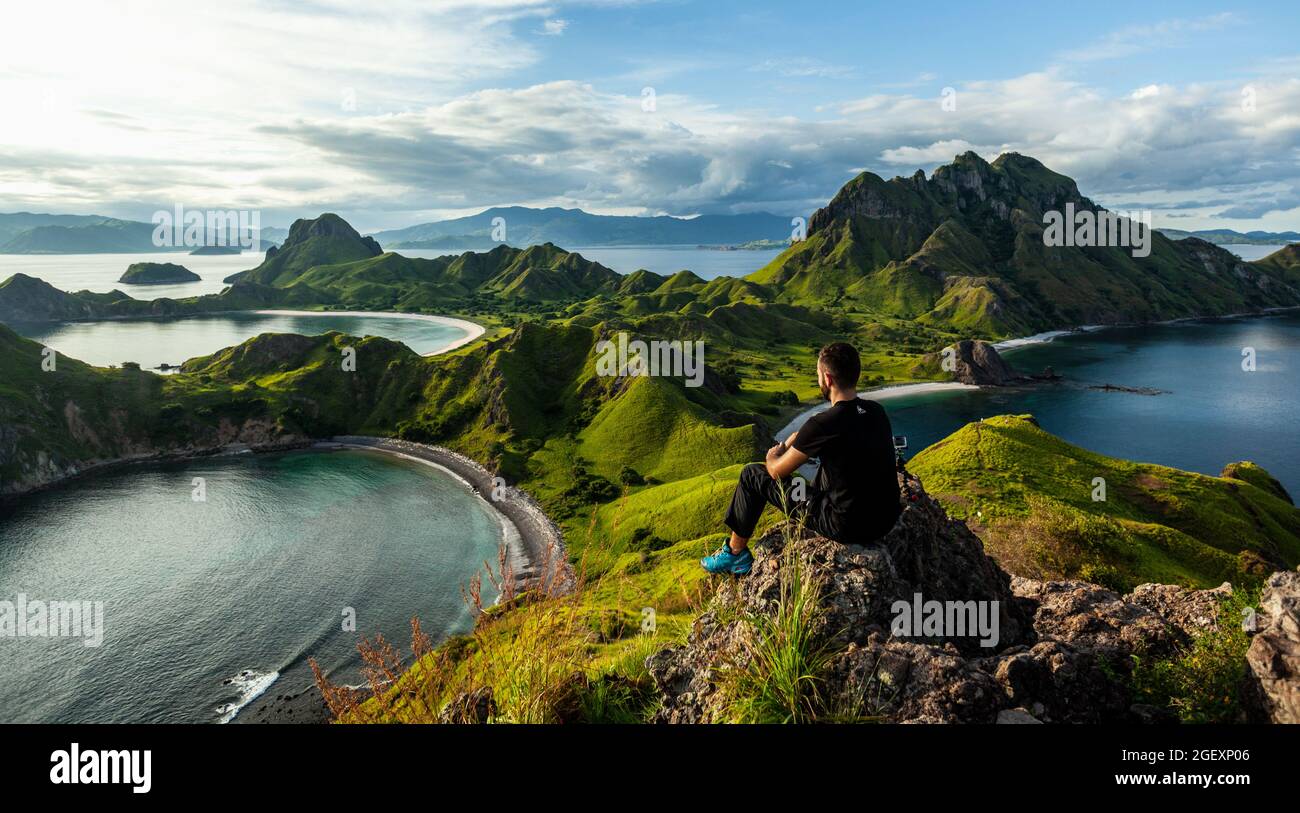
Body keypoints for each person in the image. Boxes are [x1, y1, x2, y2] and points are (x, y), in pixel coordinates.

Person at [701, 342, 903, 575]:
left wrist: (776, 452)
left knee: (751, 475)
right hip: (885, 520)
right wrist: (805, 439)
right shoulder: (876, 411)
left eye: (818, 375)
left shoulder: (821, 423)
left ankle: (735, 555)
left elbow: (776, 471)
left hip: (846, 526)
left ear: (827, 379)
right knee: (830, 467)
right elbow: (848, 444)